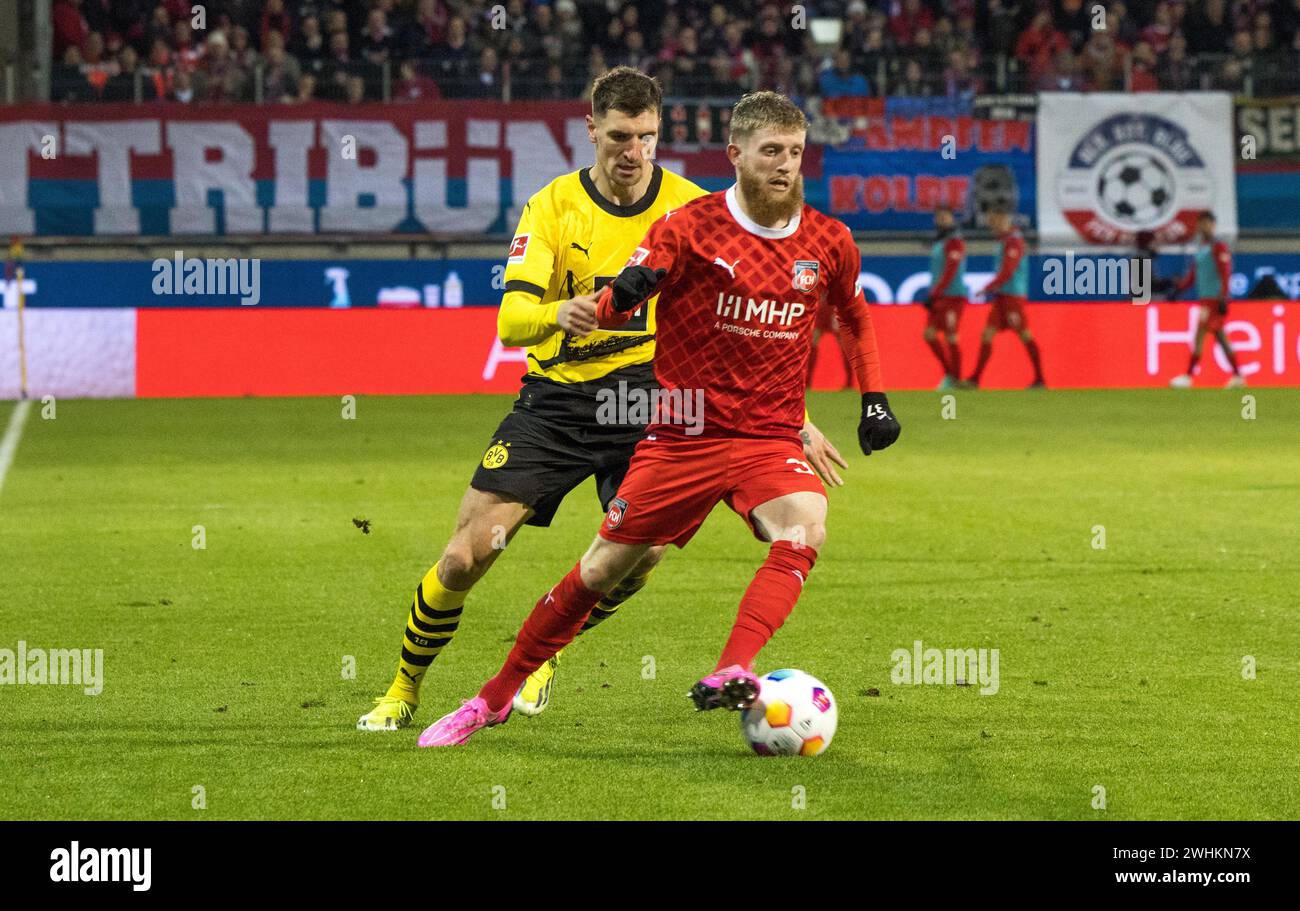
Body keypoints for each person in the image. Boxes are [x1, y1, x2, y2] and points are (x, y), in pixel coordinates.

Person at [357, 70, 843, 732]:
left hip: (651, 400)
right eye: (618, 136)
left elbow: (753, 325)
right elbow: (510, 322)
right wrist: (567, 312)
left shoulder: (692, 208)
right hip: (558, 401)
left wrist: (798, 419)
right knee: (469, 553)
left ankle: (536, 657)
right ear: (592, 132)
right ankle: (402, 688)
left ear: (659, 135)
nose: (632, 151)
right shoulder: (552, 207)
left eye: (645, 137)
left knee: (637, 561)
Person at [962, 206, 1045, 389]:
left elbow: (1008, 270)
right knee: (987, 334)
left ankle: (1040, 379)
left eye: (996, 222)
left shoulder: (1014, 242)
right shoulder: (1004, 241)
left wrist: (987, 288)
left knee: (1024, 334)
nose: (993, 227)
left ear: (1005, 221)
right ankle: (975, 379)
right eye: (991, 224)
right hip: (1002, 296)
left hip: (1012, 296)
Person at [1168, 212, 1244, 388]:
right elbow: (1194, 274)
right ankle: (1238, 376)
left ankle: (1187, 377)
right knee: (1221, 338)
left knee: (1200, 334)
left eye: (1207, 223)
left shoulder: (1219, 247)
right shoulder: (1202, 248)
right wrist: (1178, 290)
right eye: (1201, 223)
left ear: (1213, 225)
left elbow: (1225, 273)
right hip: (1205, 299)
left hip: (1214, 300)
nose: (1204, 227)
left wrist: (1224, 297)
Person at [918, 204, 966, 389]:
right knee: (929, 334)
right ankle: (950, 375)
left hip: (953, 296)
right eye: (939, 217)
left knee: (951, 336)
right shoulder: (941, 241)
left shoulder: (954, 241)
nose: (942, 220)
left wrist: (936, 292)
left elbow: (950, 271)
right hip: (941, 296)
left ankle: (955, 378)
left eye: (945, 216)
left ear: (952, 218)